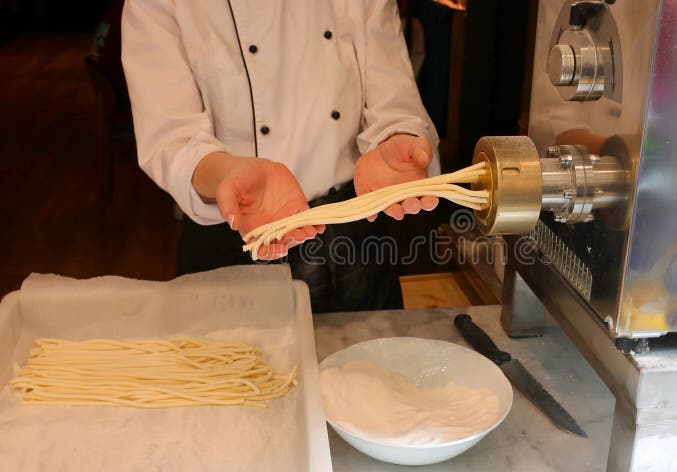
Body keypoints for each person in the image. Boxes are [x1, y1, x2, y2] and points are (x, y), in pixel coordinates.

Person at [121, 1, 440, 313]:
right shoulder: (155, 5)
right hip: (236, 237)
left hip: (354, 232)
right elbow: (172, 139)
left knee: (372, 362)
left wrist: (397, 139)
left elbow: (394, 96)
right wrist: (228, 173)